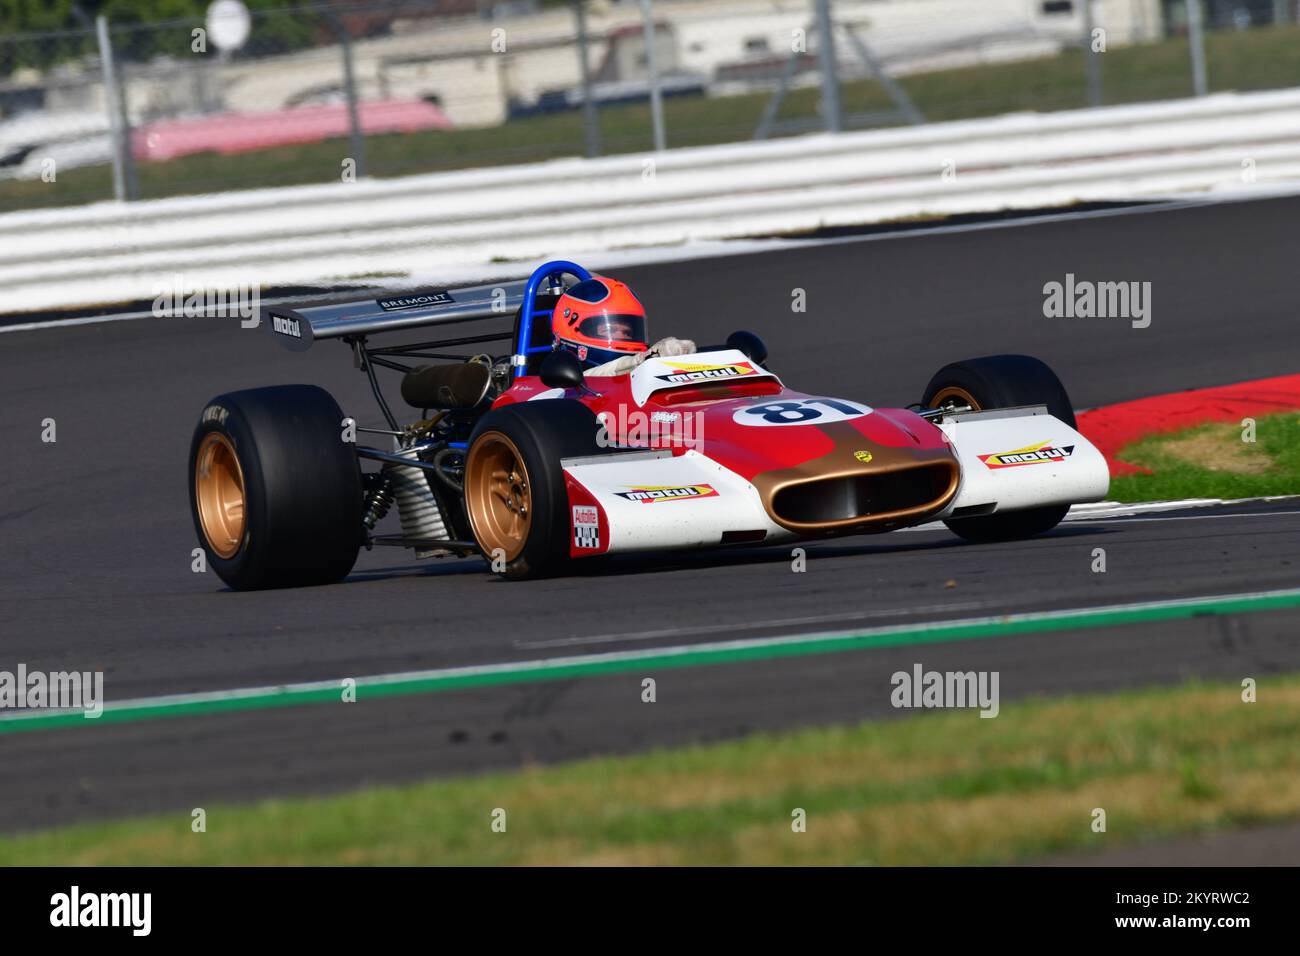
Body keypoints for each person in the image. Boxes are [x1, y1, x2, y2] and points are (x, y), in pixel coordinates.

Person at [551, 276, 695, 377]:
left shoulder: (642, 372)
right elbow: (596, 376)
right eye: (609, 330)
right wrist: (639, 361)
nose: (620, 336)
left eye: (627, 332)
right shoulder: (556, 391)